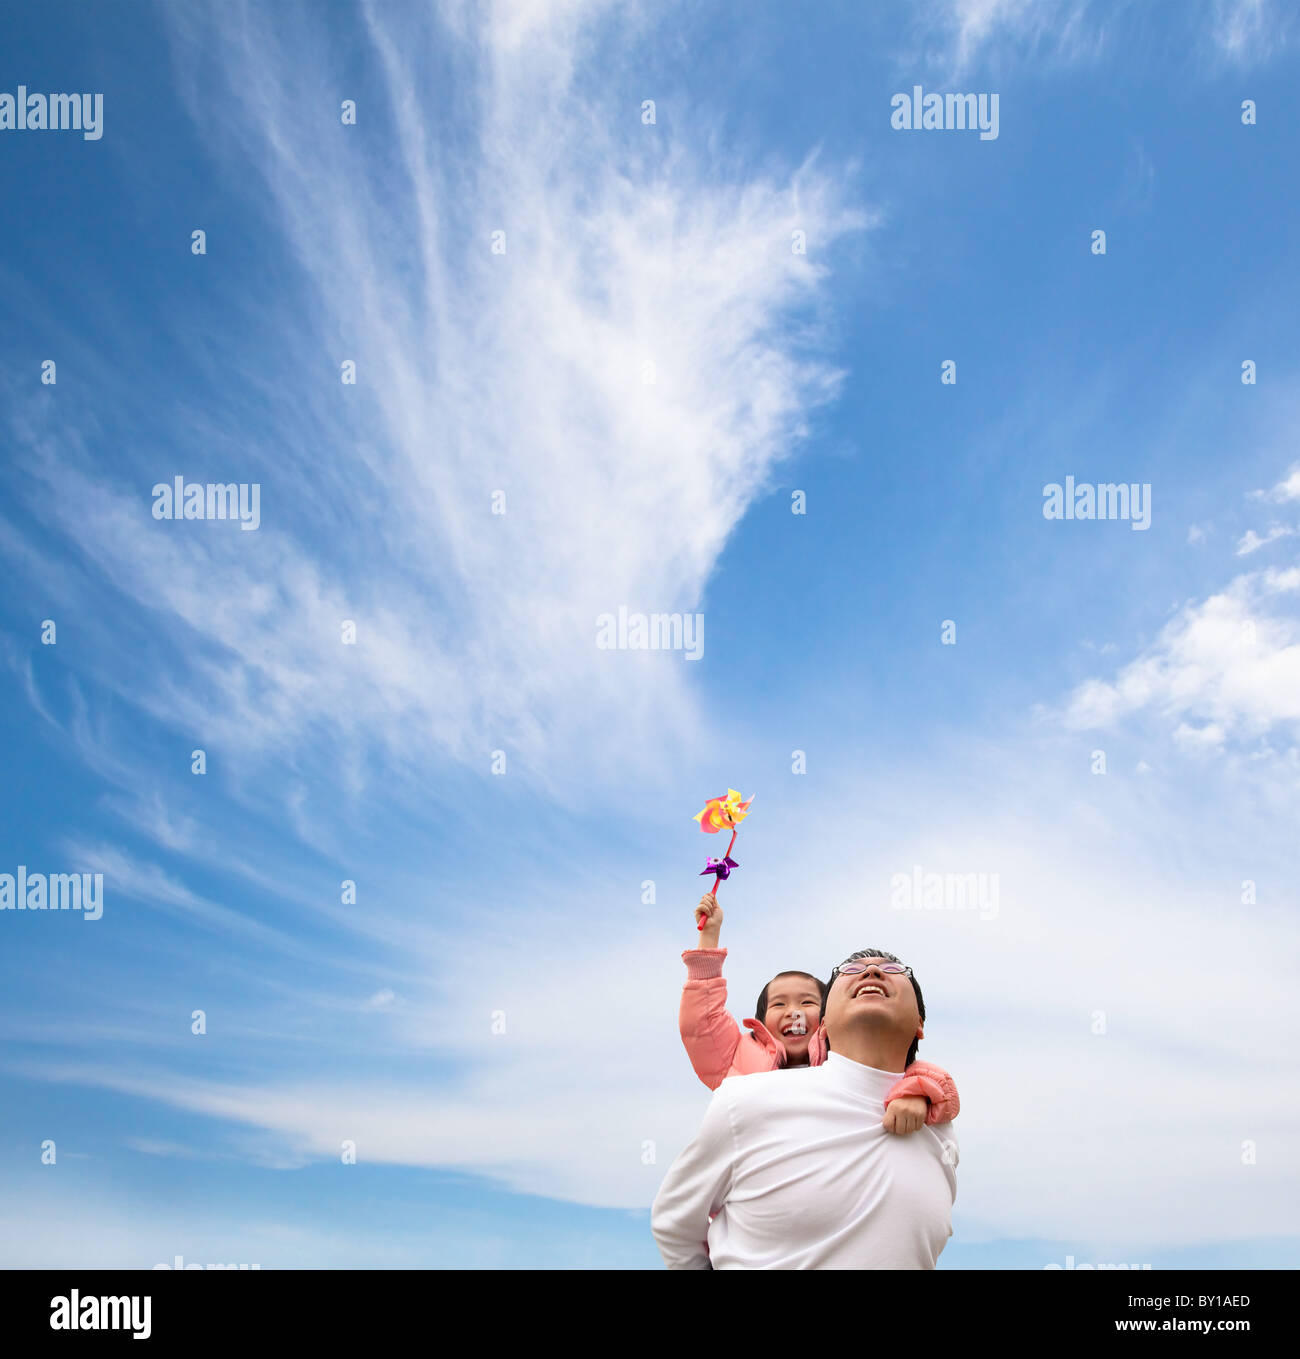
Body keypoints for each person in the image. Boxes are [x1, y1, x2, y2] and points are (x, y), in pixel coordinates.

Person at [653, 948, 959, 1269]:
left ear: (920, 1023)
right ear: (825, 1026)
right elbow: (675, 1222)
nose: (871, 971)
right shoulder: (744, 1097)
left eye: (894, 969)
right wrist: (707, 944)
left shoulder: (937, 1124)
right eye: (851, 969)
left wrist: (924, 1091)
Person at [681, 894, 959, 1131]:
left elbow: (918, 1074)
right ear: (760, 1023)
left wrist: (915, 1094)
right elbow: (702, 1022)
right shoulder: (736, 1057)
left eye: (807, 1003)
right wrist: (709, 937)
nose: (794, 1012)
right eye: (779, 1005)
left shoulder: (842, 1057)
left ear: (827, 1019)